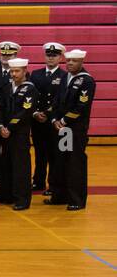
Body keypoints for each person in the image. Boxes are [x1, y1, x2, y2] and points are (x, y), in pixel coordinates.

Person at [47, 49, 95, 211]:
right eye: (68, 61)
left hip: (75, 130)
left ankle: (77, 199)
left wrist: (63, 120)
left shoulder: (86, 81)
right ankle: (60, 196)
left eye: (74, 61)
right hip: (62, 129)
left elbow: (81, 106)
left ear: (81, 62)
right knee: (61, 161)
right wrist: (53, 119)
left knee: (75, 163)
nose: (70, 63)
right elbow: (56, 101)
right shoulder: (65, 77)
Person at [0, 57, 36, 211]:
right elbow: (1, 109)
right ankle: (5, 195)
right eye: (11, 71)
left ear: (24, 71)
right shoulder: (7, 87)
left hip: (19, 134)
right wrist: (0, 126)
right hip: (5, 133)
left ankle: (22, 199)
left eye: (17, 71)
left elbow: (25, 112)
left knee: (21, 167)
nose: (13, 74)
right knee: (5, 165)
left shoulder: (30, 89)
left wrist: (9, 128)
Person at [29, 42, 67, 197]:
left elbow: (62, 100)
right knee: (39, 152)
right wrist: (35, 113)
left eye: (54, 55)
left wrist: (50, 114)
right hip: (37, 120)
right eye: (48, 55)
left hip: (54, 121)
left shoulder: (64, 76)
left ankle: (53, 184)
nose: (51, 58)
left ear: (60, 57)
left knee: (54, 154)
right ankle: (38, 181)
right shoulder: (35, 74)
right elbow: (31, 96)